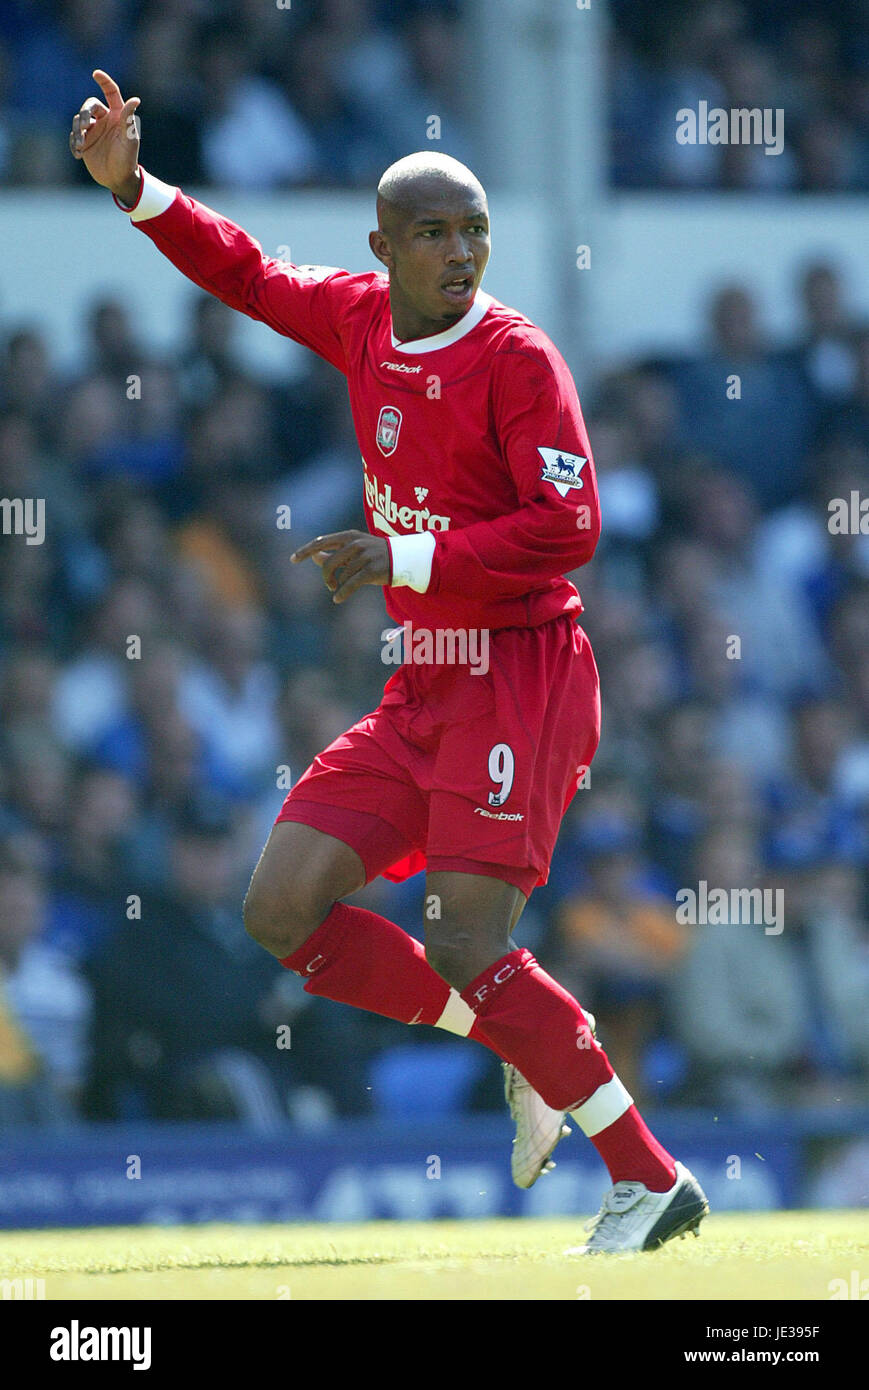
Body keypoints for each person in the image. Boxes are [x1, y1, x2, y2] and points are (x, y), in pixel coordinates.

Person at [69, 69, 709, 1251]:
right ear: (383, 245)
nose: (459, 252)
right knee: (281, 909)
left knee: (467, 936)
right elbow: (248, 273)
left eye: (473, 230)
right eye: (432, 232)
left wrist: (406, 557)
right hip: (424, 681)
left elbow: (570, 527)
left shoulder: (518, 360)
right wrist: (136, 190)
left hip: (520, 671)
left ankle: (650, 1178)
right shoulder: (361, 316)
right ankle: (515, 1039)